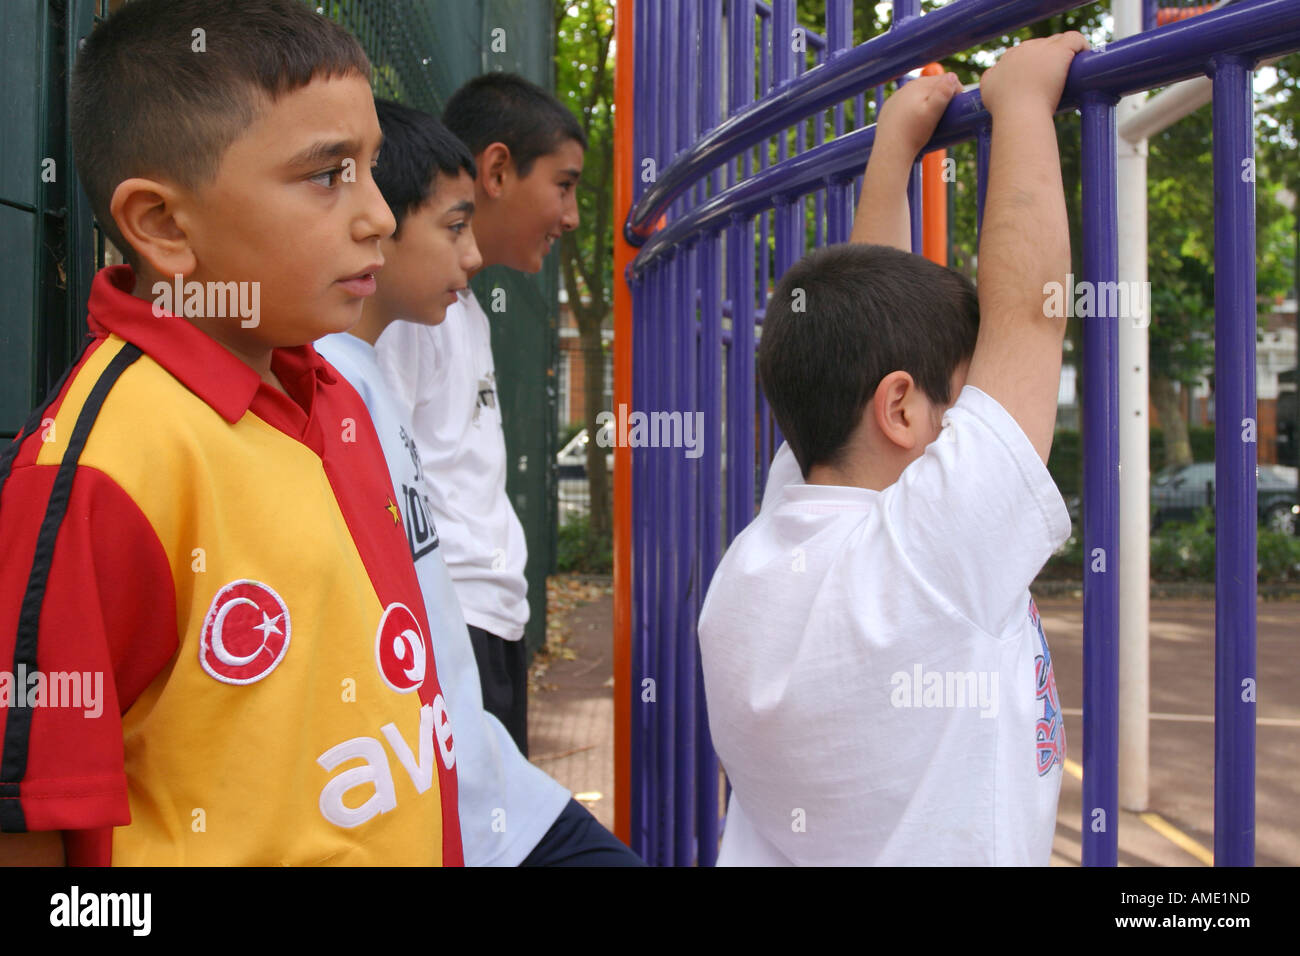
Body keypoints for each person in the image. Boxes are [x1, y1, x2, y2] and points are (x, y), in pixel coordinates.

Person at [0, 0, 464, 866]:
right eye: (329, 175)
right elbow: (33, 817)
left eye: (370, 168)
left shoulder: (335, 398)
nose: (379, 217)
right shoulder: (101, 466)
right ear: (164, 226)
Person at [697, 35, 1089, 866]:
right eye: (966, 391)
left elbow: (872, 327)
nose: (980, 409)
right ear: (903, 410)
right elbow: (1031, 316)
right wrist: (1020, 103)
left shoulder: (772, 542)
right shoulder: (926, 562)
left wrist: (892, 152)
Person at [314, 100, 641, 866]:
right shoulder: (373, 337)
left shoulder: (444, 315)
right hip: (437, 647)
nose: (570, 214)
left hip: (467, 645)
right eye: (562, 186)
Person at [373, 74, 585, 757]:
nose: (573, 215)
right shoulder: (404, 308)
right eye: (565, 184)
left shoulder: (457, 309)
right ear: (498, 169)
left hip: (486, 620)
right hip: (448, 621)